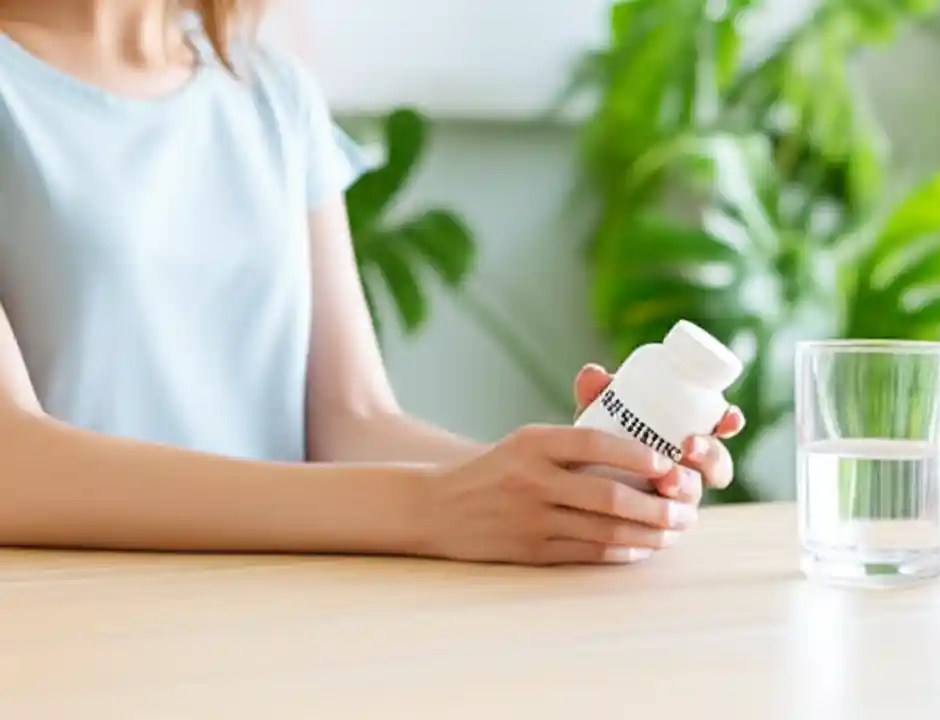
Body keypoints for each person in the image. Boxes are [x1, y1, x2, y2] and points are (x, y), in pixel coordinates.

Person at [0, 0, 744, 565]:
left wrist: (573, 481)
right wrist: (428, 508)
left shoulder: (266, 91)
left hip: (275, 622)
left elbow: (351, 420)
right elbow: (16, 464)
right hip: (81, 631)